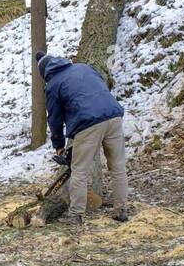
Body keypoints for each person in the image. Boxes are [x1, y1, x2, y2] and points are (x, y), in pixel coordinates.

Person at [37, 51, 129, 230]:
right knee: (118, 166)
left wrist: (59, 146)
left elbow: (55, 119)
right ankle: (121, 209)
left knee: (79, 170)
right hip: (114, 115)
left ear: (45, 74)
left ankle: (76, 216)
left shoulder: (53, 85)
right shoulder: (84, 68)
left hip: (88, 123)